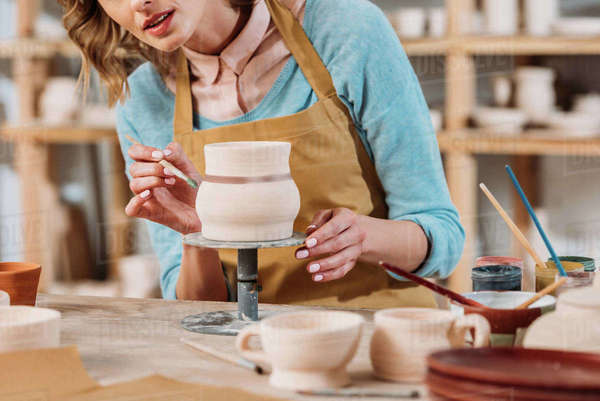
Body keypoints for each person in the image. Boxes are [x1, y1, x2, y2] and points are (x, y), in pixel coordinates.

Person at [61, 0, 464, 308]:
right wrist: (196, 233)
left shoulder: (347, 30)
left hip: (378, 344)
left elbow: (442, 235)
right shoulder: (143, 102)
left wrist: (366, 237)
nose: (138, 2)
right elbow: (191, 309)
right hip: (250, 356)